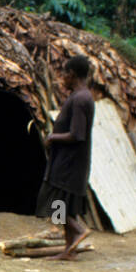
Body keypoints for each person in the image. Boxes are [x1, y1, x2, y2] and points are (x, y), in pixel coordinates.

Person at [35, 54, 95, 260]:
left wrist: (52, 137)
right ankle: (69, 250)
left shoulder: (79, 99)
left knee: (54, 203)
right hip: (73, 161)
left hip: (69, 162)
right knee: (65, 205)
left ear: (72, 74)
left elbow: (77, 134)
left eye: (65, 74)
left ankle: (78, 231)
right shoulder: (83, 96)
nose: (63, 79)